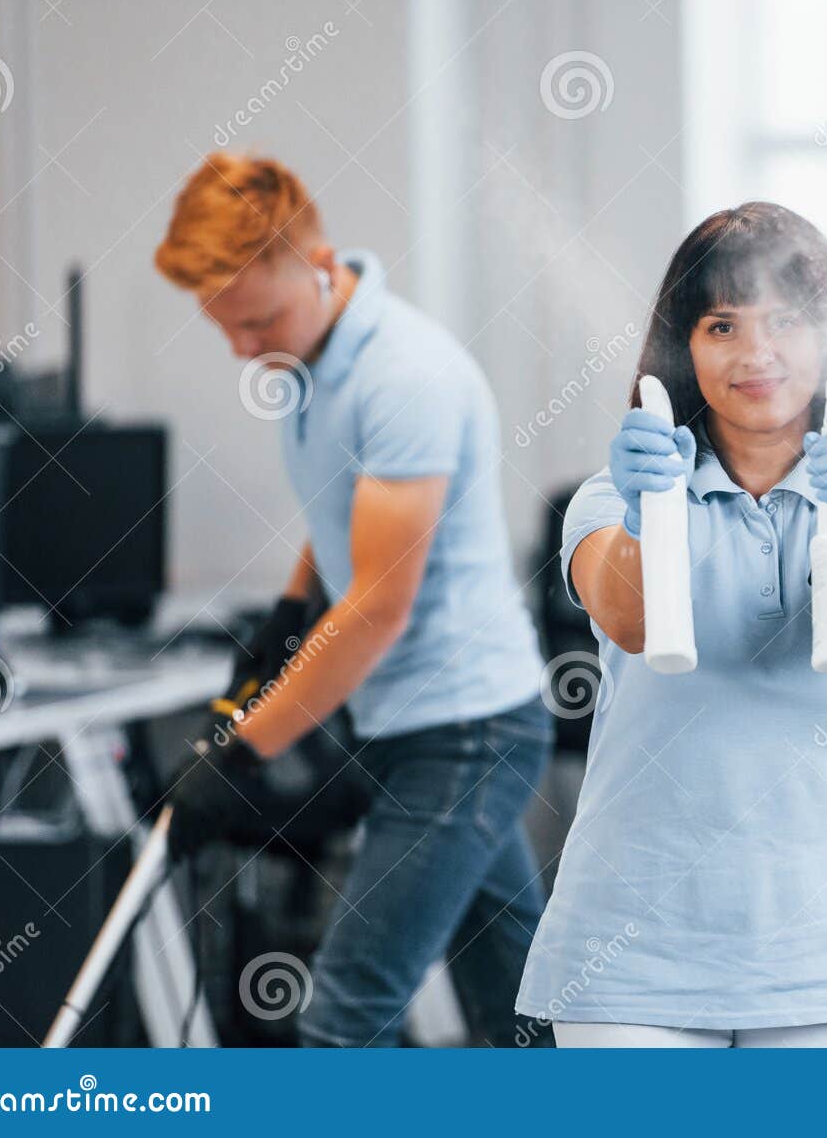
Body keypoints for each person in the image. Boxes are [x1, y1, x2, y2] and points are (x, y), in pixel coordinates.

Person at [515, 202, 827, 1048]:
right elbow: (628, 615)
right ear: (684, 350)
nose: (755, 352)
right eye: (722, 324)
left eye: (785, 321)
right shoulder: (614, 496)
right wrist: (651, 515)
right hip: (628, 955)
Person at [153, 153, 553, 1047]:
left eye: (256, 320)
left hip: (466, 732)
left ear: (315, 256)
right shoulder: (315, 352)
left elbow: (378, 603)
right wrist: (290, 615)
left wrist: (246, 751)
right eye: (225, 328)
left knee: (345, 1020)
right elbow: (344, 508)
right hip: (414, 724)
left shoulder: (401, 376)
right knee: (520, 1012)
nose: (243, 348)